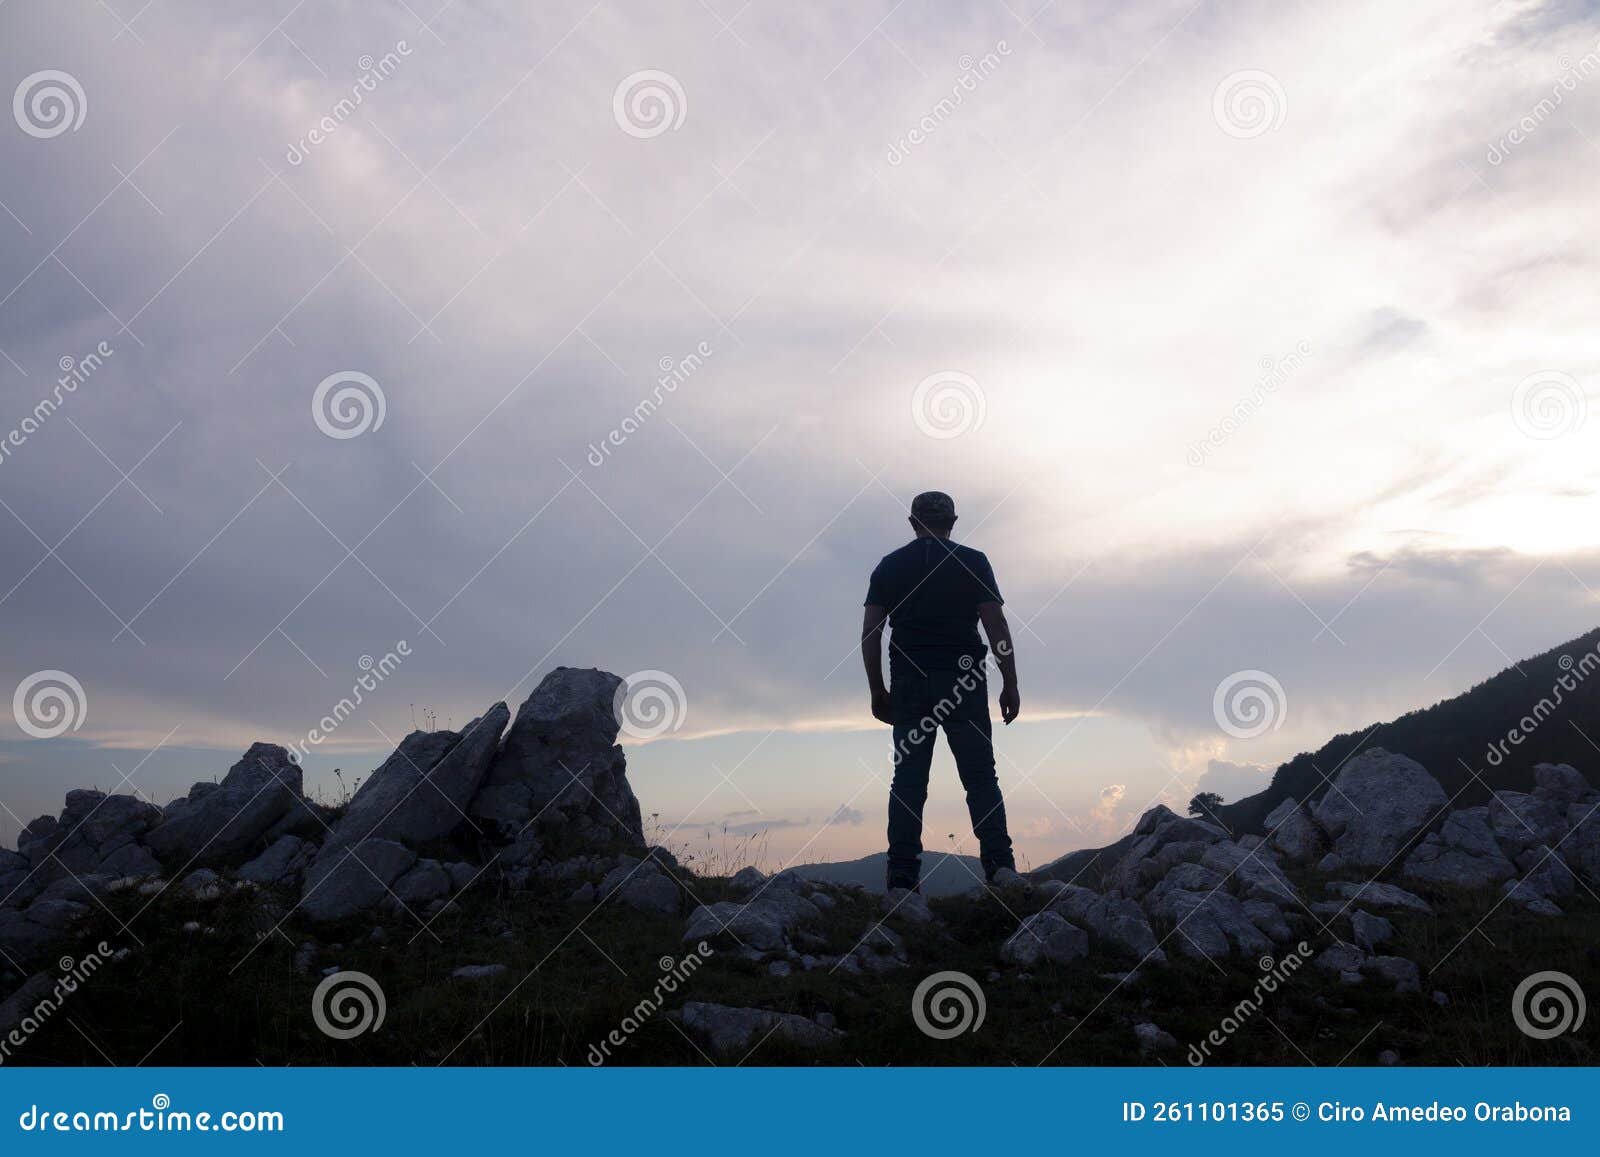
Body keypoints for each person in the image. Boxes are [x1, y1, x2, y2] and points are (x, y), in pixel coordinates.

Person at [861, 491, 1024, 893]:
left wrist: (877, 688)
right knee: (981, 777)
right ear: (952, 522)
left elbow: (871, 632)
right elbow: (996, 626)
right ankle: (1001, 870)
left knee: (909, 780)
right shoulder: (973, 562)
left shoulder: (889, 566)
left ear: (913, 523)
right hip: (964, 682)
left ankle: (901, 876)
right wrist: (1010, 681)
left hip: (910, 684)